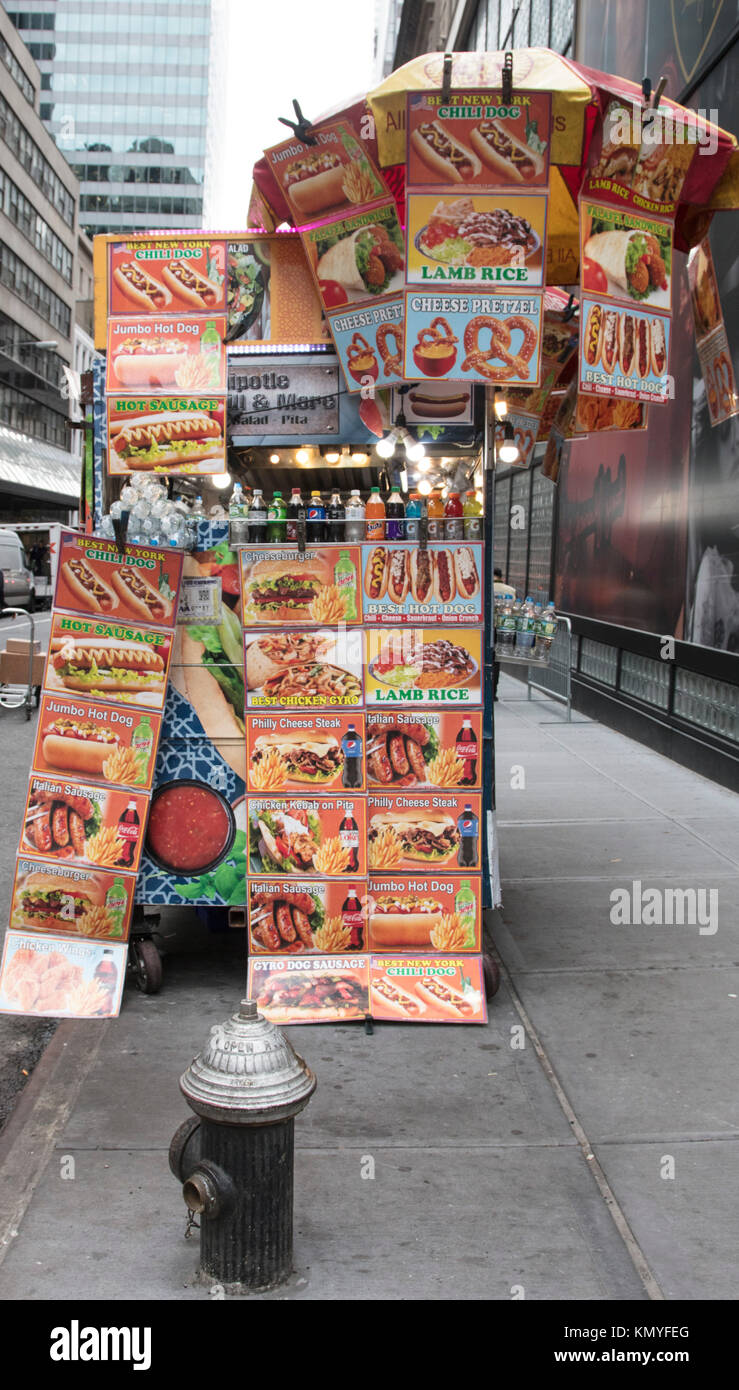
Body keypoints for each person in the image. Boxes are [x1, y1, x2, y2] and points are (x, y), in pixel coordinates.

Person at [493, 568, 516, 700]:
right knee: (497, 661)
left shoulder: (485, 587)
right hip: (503, 628)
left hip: (487, 628)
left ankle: (484, 689)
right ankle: (493, 692)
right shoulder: (510, 590)